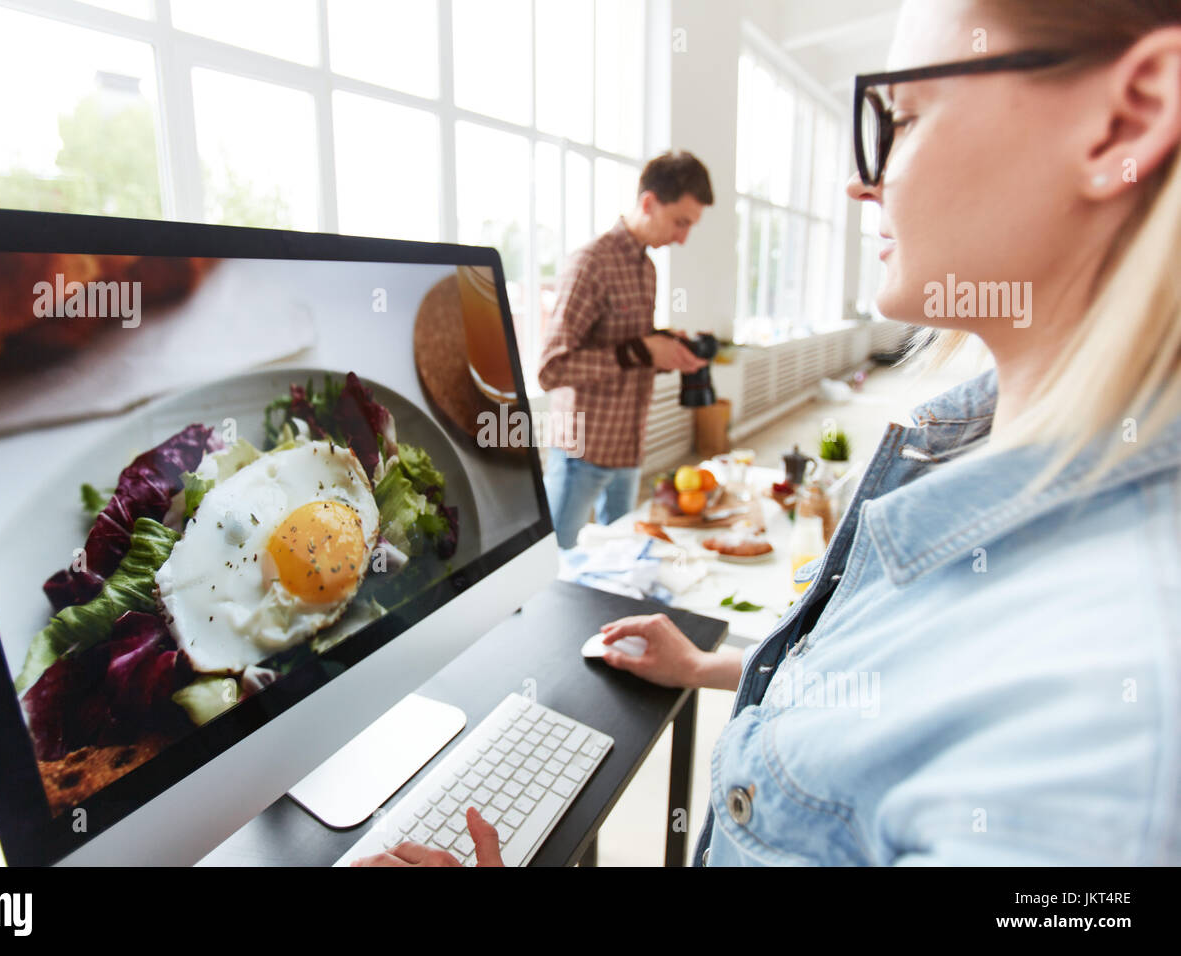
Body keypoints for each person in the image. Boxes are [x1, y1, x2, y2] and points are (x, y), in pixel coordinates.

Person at [354, 0, 1181, 866]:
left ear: (1124, 121)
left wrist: (663, 351)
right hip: (588, 435)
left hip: (626, 437)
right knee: (554, 598)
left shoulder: (1107, 738)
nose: (865, 182)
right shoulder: (959, 440)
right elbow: (559, 365)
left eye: (899, 119)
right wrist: (727, 670)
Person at [537, 151, 712, 549]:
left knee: (620, 561)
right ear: (649, 203)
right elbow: (550, 369)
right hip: (583, 451)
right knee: (552, 560)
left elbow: (630, 346)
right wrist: (640, 351)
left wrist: (667, 347)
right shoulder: (590, 263)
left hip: (629, 446)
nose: (683, 238)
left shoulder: (647, 268)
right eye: (680, 222)